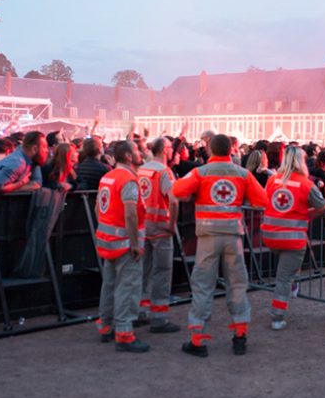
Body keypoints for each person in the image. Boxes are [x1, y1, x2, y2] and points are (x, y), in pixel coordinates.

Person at [173, 134, 268, 357]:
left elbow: (177, 191)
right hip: (233, 236)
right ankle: (240, 336)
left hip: (207, 236)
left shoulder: (201, 172)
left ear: (209, 150)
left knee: (203, 285)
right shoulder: (242, 173)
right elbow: (262, 201)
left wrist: (194, 194)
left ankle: (197, 340)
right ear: (230, 150)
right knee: (237, 284)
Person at [260, 146, 325, 330]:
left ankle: (293, 282)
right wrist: (306, 215)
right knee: (284, 278)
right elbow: (323, 207)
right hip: (292, 238)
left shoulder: (273, 180)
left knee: (287, 269)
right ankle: (277, 317)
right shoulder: (306, 184)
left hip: (270, 235)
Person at [94, 141, 150, 353]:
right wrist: (135, 243)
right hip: (125, 243)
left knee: (109, 284)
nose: (140, 153)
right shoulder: (128, 180)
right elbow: (130, 213)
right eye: (136, 150)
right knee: (128, 286)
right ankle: (124, 333)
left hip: (108, 240)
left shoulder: (107, 177)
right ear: (128, 156)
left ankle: (106, 325)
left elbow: (98, 207)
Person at [136, 137, 180, 333]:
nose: (173, 151)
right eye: (170, 148)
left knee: (143, 270)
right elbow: (174, 200)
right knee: (162, 271)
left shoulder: (141, 169)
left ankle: (140, 311)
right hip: (161, 226)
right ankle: (159, 317)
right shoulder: (164, 171)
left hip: (143, 225)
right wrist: (172, 224)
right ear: (164, 150)